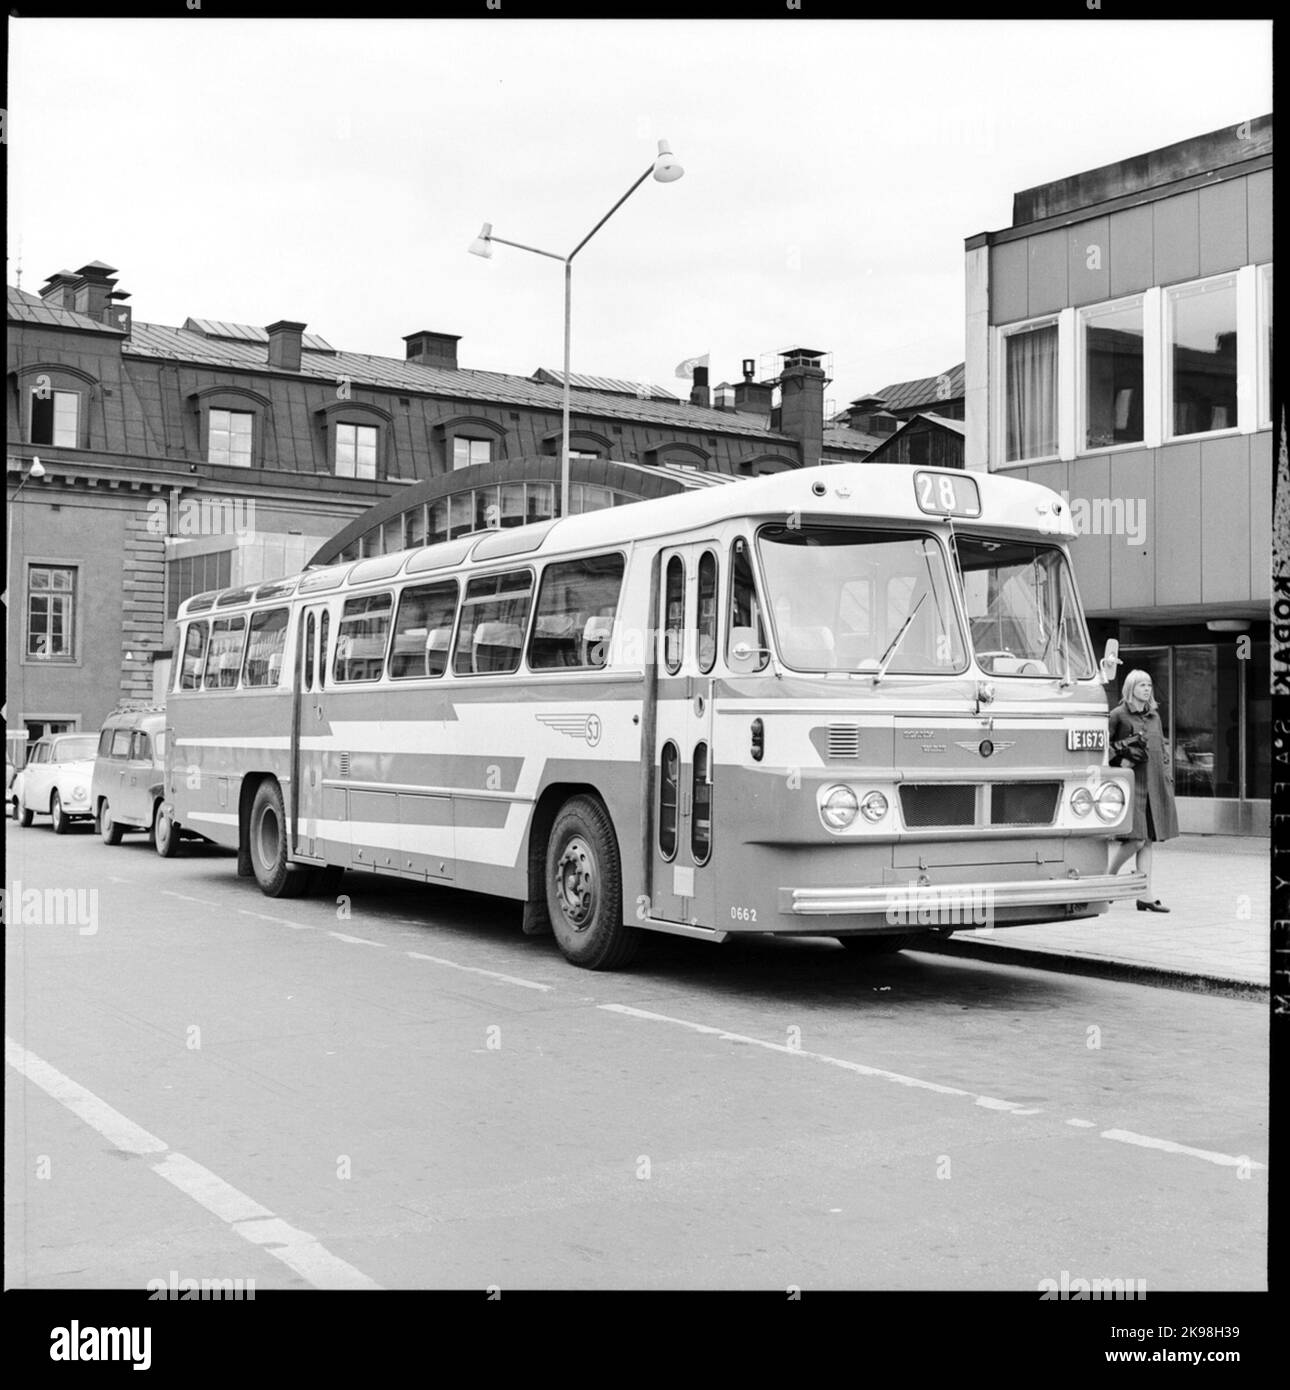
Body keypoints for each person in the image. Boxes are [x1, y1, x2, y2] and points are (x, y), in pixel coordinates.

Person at [1106, 669, 1179, 911]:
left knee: (1148, 842)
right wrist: (1121, 756)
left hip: (1155, 785)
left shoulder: (1154, 717)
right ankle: (1109, 878)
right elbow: (1102, 748)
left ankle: (1145, 895)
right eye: (1141, 685)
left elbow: (1162, 750)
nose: (1147, 689)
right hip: (1130, 785)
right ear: (1130, 688)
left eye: (1149, 684)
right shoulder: (1118, 715)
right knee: (1135, 841)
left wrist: (1167, 777)